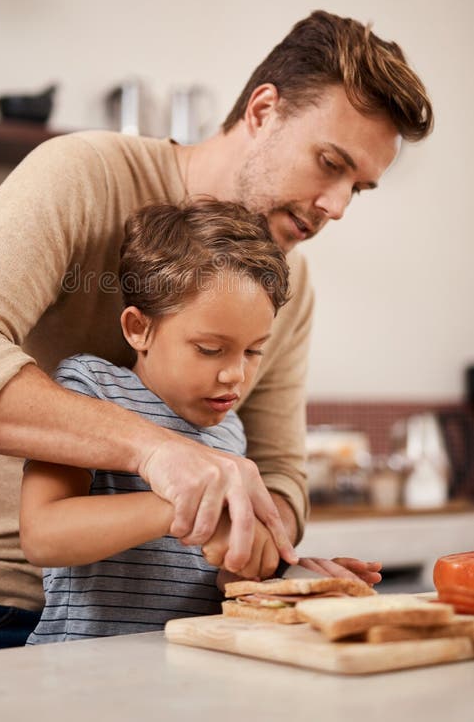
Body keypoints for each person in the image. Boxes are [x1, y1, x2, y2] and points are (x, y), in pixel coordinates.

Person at [0, 10, 432, 655]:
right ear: (263, 111)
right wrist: (158, 455)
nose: (337, 206)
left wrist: (273, 562)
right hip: (4, 612)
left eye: (359, 188)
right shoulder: (82, 177)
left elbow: (279, 471)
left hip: (187, 623)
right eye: (329, 162)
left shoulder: (291, 283)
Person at [21, 200, 381, 643]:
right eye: (210, 349)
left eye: (253, 351)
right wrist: (189, 504)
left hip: (187, 672)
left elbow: (225, 577)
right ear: (139, 329)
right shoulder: (90, 388)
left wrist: (290, 578)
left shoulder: (228, 431)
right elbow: (42, 535)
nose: (236, 374)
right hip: (83, 677)